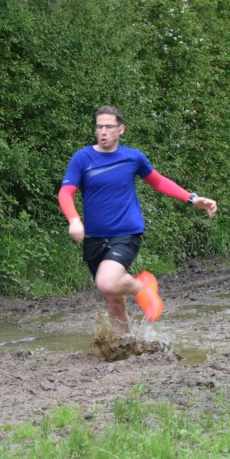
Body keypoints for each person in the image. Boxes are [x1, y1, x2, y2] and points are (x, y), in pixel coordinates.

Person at [59, 106, 217, 334]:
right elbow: (66, 193)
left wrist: (192, 198)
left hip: (126, 233)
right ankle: (124, 344)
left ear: (121, 129)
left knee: (106, 282)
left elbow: (158, 181)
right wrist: (74, 219)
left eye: (109, 127)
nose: (103, 131)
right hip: (94, 238)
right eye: (99, 127)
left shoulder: (133, 157)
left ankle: (141, 286)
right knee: (113, 300)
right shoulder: (82, 158)